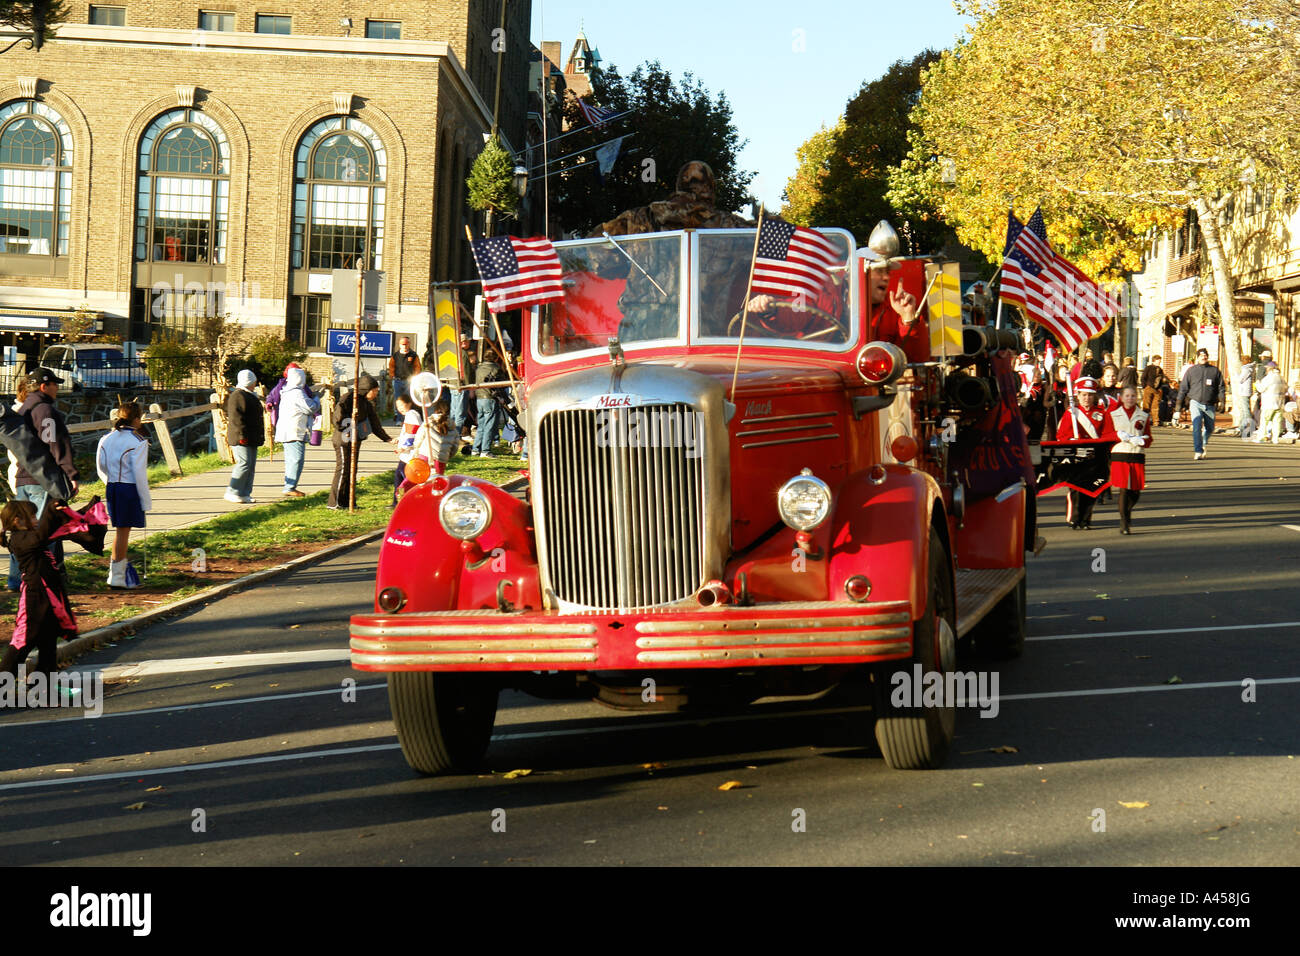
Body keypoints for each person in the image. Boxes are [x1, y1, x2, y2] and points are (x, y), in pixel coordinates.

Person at [0, 497, 107, 686]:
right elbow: (42, 534)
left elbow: (50, 531)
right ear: (18, 520)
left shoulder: (28, 536)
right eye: (32, 516)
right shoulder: (20, 539)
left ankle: (43, 690)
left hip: (48, 598)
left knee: (48, 642)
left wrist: (75, 512)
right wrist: (50, 510)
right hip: (34, 598)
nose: (36, 519)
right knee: (22, 643)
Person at [13, 367, 78, 581]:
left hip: (22, 478)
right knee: (43, 531)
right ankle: (43, 577)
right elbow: (55, 444)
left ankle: (17, 578)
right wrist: (70, 473)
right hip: (42, 480)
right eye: (55, 384)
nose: (57, 388)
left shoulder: (22, 411)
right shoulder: (45, 411)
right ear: (44, 386)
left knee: (21, 531)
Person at [95, 402, 151, 588]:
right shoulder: (138, 441)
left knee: (121, 529)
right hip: (129, 488)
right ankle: (117, 576)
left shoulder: (106, 438)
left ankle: (118, 573)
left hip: (112, 486)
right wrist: (145, 500)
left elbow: (100, 467)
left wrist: (110, 482)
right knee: (123, 532)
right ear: (136, 419)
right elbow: (140, 474)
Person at [1054, 376, 1117, 529]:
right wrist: (1071, 440)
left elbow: (1109, 434)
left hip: (1095, 457)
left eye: (1089, 395)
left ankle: (1086, 520)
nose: (1086, 398)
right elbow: (1061, 436)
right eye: (1083, 395)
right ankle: (1075, 518)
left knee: (1091, 490)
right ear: (1078, 395)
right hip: (1077, 456)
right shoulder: (1072, 413)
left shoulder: (1102, 413)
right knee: (1076, 490)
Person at [328, 373, 395, 509]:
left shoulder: (367, 404)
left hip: (355, 441)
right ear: (366, 389)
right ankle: (334, 503)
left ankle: (348, 501)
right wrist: (349, 424)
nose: (376, 393)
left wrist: (387, 439)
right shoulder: (348, 399)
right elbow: (337, 418)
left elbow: (375, 424)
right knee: (343, 470)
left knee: (352, 470)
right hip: (343, 440)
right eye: (374, 391)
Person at [1109, 385, 1152, 534]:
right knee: (1124, 489)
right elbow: (1106, 434)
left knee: (1135, 491)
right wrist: (1118, 436)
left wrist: (1142, 440)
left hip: (1137, 453)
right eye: (1127, 396)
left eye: (1133, 396)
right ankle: (1124, 521)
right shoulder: (1114, 414)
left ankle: (1127, 511)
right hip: (1120, 453)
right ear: (1121, 397)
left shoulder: (1143, 416)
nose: (1130, 398)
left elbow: (1148, 438)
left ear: (1137, 397)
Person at [274, 366, 320, 497]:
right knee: (296, 460)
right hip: (294, 431)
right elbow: (310, 408)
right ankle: (290, 487)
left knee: (291, 460)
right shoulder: (297, 393)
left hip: (288, 430)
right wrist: (316, 400)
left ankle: (289, 485)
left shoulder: (287, 391)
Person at [1174, 348, 1224, 460]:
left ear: (1208, 357)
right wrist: (1178, 408)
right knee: (1196, 426)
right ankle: (1198, 450)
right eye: (1201, 355)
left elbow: (1221, 387)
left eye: (1205, 355)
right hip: (1195, 402)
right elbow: (1183, 389)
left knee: (1210, 428)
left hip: (1210, 404)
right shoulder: (1191, 371)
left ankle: (1203, 441)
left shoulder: (1215, 371)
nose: (1203, 357)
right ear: (1197, 357)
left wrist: (1222, 401)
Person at [224, 369, 263, 504]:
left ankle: (245, 493)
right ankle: (233, 491)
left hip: (252, 436)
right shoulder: (238, 396)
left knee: (250, 465)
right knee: (244, 463)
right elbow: (236, 419)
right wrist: (241, 435)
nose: (255, 384)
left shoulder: (251, 395)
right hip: (241, 436)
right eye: (253, 382)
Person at [4, 374, 28, 591]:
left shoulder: (15, 413)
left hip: (18, 474)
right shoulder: (23, 415)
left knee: (21, 527)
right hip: (27, 474)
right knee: (29, 528)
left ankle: (15, 577)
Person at [471, 351, 504, 457]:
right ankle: (485, 450)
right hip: (490, 398)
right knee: (489, 425)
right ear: (495, 358)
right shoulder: (496, 368)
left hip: (479, 398)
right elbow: (502, 381)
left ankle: (475, 449)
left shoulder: (479, 368)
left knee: (481, 425)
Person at [393, 394, 421, 505]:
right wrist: (399, 439)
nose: (399, 408)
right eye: (397, 406)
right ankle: (399, 500)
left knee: (403, 477)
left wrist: (403, 448)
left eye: (401, 405)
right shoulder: (412, 415)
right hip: (408, 453)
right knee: (401, 476)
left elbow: (412, 434)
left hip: (409, 454)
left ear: (409, 403)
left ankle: (400, 501)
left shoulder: (411, 415)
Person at [1254, 361, 1287, 444]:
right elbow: (1286, 389)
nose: (1266, 369)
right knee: (1277, 421)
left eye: (1267, 368)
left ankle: (1261, 437)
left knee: (1264, 420)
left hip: (1269, 403)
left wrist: (1257, 384)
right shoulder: (1282, 378)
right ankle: (1275, 438)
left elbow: (1261, 388)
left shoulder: (1269, 378)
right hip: (1280, 403)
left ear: (1270, 369)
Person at [387, 336, 421, 413]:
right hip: (397, 381)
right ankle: (398, 416)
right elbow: (391, 367)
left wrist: (415, 378)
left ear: (409, 344)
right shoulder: (395, 356)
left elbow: (417, 367)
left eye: (406, 344)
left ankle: (408, 415)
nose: (404, 346)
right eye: (403, 344)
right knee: (398, 399)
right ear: (399, 345)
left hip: (409, 382)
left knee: (408, 399)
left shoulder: (413, 355)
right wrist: (391, 376)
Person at [1234, 357, 1258, 436]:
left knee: (1246, 410)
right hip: (1244, 391)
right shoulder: (1248, 369)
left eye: (1244, 360)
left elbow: (1240, 379)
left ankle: (1251, 426)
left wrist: (1236, 375)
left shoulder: (1247, 369)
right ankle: (1241, 427)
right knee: (1243, 410)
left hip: (1245, 392)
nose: (1242, 361)